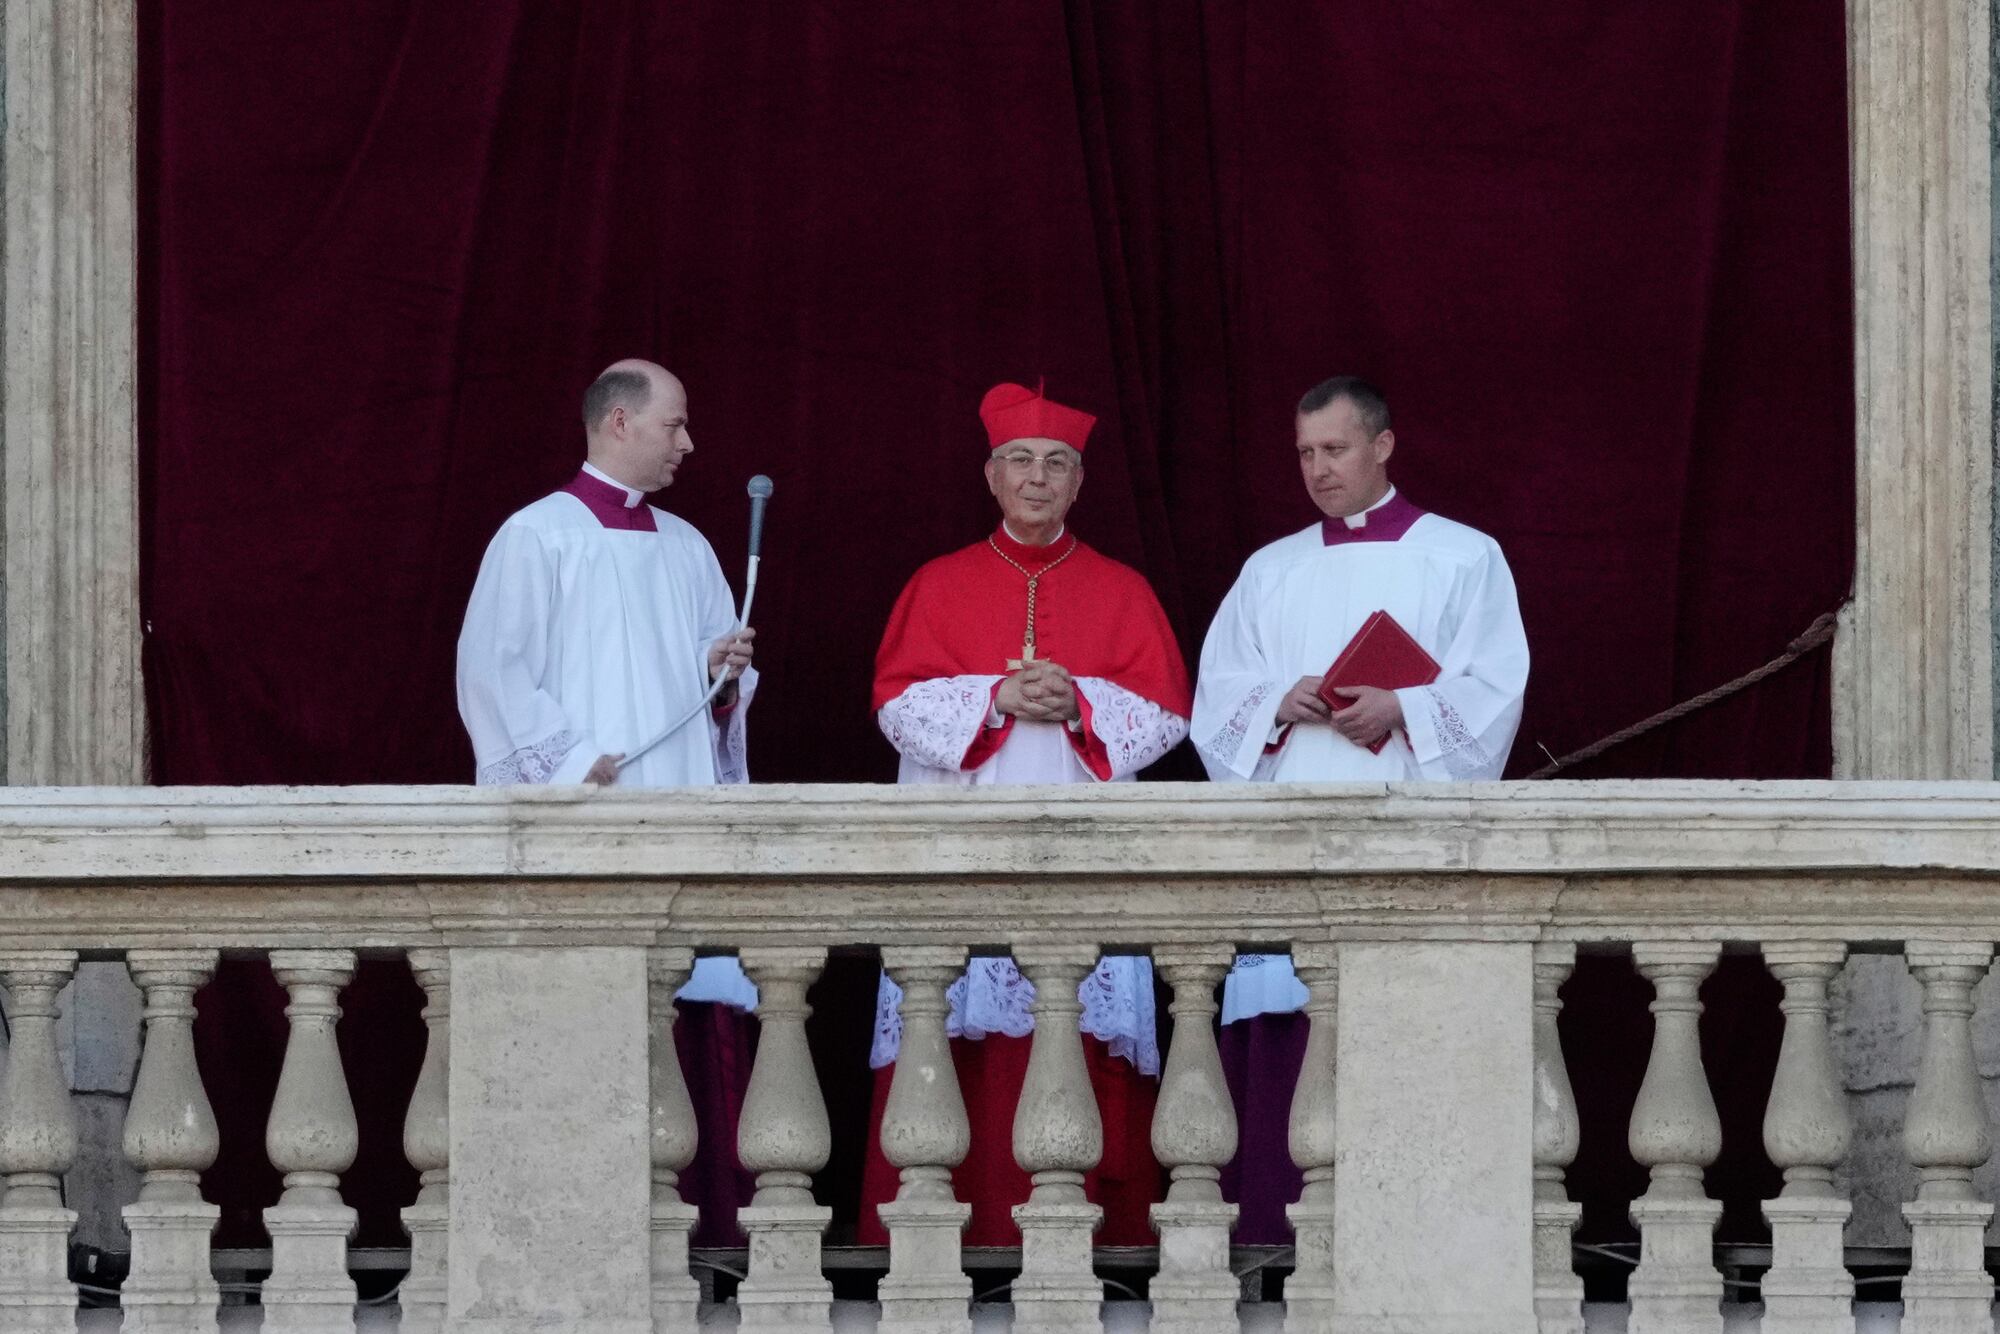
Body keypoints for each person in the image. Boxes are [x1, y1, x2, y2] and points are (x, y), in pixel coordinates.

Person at [1191, 373, 1529, 1239]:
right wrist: (1277, 700)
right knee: (1286, 1048)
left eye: (1335, 449)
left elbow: (1495, 689)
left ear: (1382, 446)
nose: (1318, 470)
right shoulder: (1272, 568)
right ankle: (1271, 1236)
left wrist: (1405, 708)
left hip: (1407, 831)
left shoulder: (1464, 556)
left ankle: (1419, 1242)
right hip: (1293, 834)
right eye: (1305, 453)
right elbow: (1218, 695)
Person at [861, 380, 1193, 1247]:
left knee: (1074, 1026)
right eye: (1019, 461)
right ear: (991, 474)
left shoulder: (1122, 589)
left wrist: (1080, 702)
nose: (1036, 478)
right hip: (959, 845)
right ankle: (944, 1234)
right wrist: (998, 695)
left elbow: (1165, 714)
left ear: (1079, 483)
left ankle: (1093, 1233)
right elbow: (895, 705)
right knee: (955, 1020)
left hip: (1078, 847)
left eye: (1056, 464)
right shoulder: (938, 584)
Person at [455, 358, 759, 1239]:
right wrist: (572, 759)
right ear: (618, 423)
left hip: (673, 820)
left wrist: (723, 674)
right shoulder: (535, 536)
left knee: (689, 1026)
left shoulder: (691, 546)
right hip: (584, 823)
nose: (688, 443)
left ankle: (702, 1232)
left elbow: (716, 693)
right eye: (675, 424)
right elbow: (492, 669)